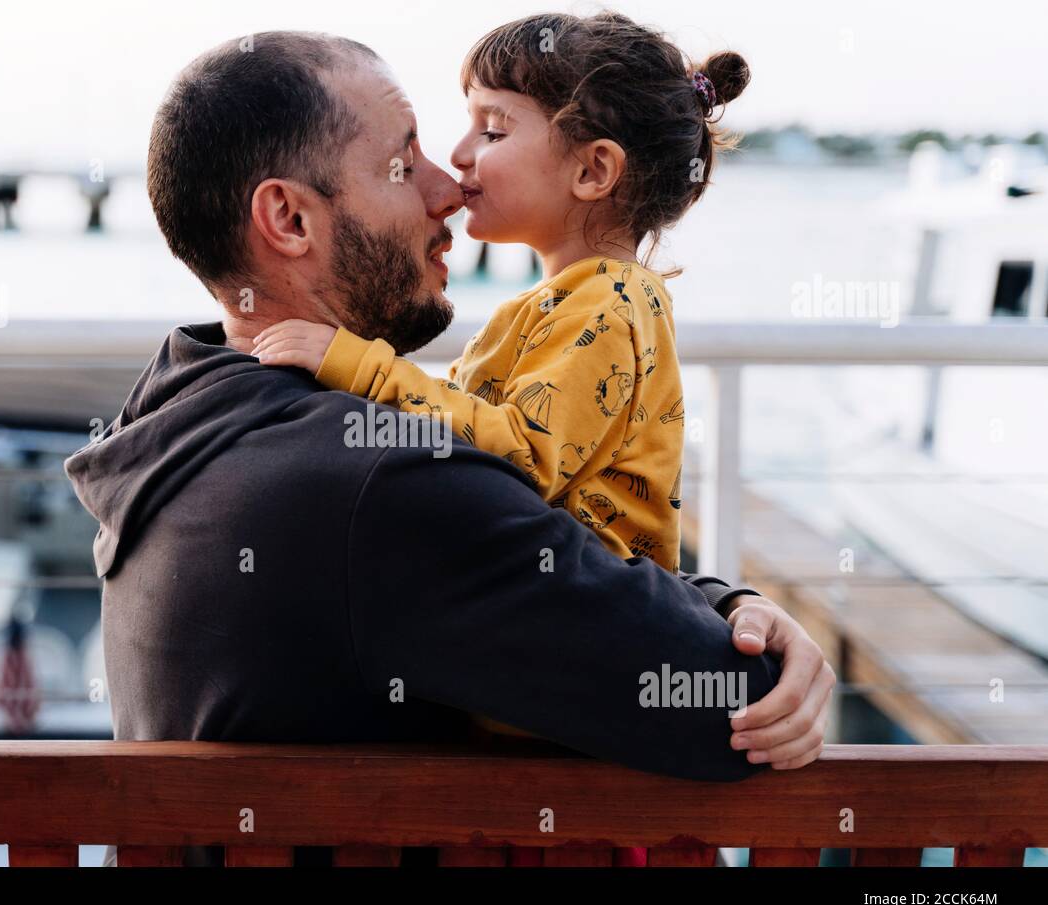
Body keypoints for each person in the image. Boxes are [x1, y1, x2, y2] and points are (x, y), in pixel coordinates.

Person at [63, 31, 835, 861]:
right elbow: (729, 704)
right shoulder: (379, 487)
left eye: (481, 135)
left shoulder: (183, 412)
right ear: (289, 218)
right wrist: (737, 625)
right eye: (404, 164)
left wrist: (717, 598)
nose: (448, 186)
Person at [253, 12, 748, 745]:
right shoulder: (564, 304)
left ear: (592, 170)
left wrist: (354, 363)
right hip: (555, 666)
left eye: (492, 130)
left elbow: (519, 454)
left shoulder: (612, 304)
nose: (457, 156)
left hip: (580, 663)